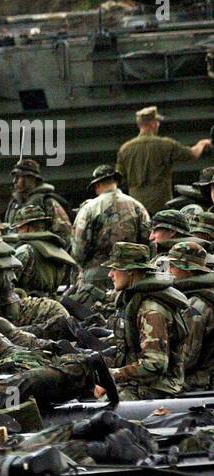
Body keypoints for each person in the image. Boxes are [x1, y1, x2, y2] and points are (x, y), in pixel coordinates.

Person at [95, 242, 188, 401]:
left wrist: (112, 376)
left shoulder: (151, 310)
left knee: (101, 411)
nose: (110, 274)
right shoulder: (135, 301)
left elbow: (154, 364)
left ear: (130, 271)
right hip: (139, 383)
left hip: (156, 388)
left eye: (115, 269)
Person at [115, 105, 212, 216]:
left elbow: (119, 179)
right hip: (160, 203)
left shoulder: (125, 149)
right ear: (153, 124)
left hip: (137, 205)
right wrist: (202, 144)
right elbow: (192, 154)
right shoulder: (165, 144)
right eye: (157, 121)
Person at [71, 164, 150, 288]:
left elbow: (78, 248)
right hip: (130, 274)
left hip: (97, 274)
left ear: (97, 186)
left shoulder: (89, 208)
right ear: (116, 182)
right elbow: (148, 240)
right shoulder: (137, 206)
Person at [168, 241, 214, 389]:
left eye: (173, 266)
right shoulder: (204, 293)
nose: (168, 271)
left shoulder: (196, 304)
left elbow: (186, 359)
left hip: (201, 380)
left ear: (187, 269)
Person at [12, 204, 78, 295]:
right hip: (51, 303)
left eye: (18, 228)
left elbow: (8, 283)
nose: (17, 231)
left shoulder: (25, 250)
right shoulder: (57, 249)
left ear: (26, 227)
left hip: (26, 303)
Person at [5, 158, 73, 247]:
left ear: (31, 178)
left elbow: (65, 235)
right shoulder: (14, 204)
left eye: (19, 177)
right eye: (14, 177)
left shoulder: (47, 201)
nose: (14, 181)